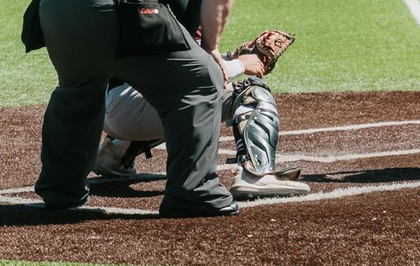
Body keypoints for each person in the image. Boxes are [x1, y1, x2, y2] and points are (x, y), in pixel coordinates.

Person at [25, 0, 256, 217]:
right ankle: (194, 193)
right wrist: (211, 51)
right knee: (202, 81)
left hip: (55, 1)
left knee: (77, 93)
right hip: (121, 3)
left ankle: (61, 190)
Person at [93, 69, 310, 201]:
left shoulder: (129, 6)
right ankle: (256, 174)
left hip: (99, 106)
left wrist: (231, 57)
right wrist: (242, 63)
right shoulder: (177, 8)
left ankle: (114, 153)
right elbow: (191, 70)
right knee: (252, 91)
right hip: (139, 107)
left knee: (174, 93)